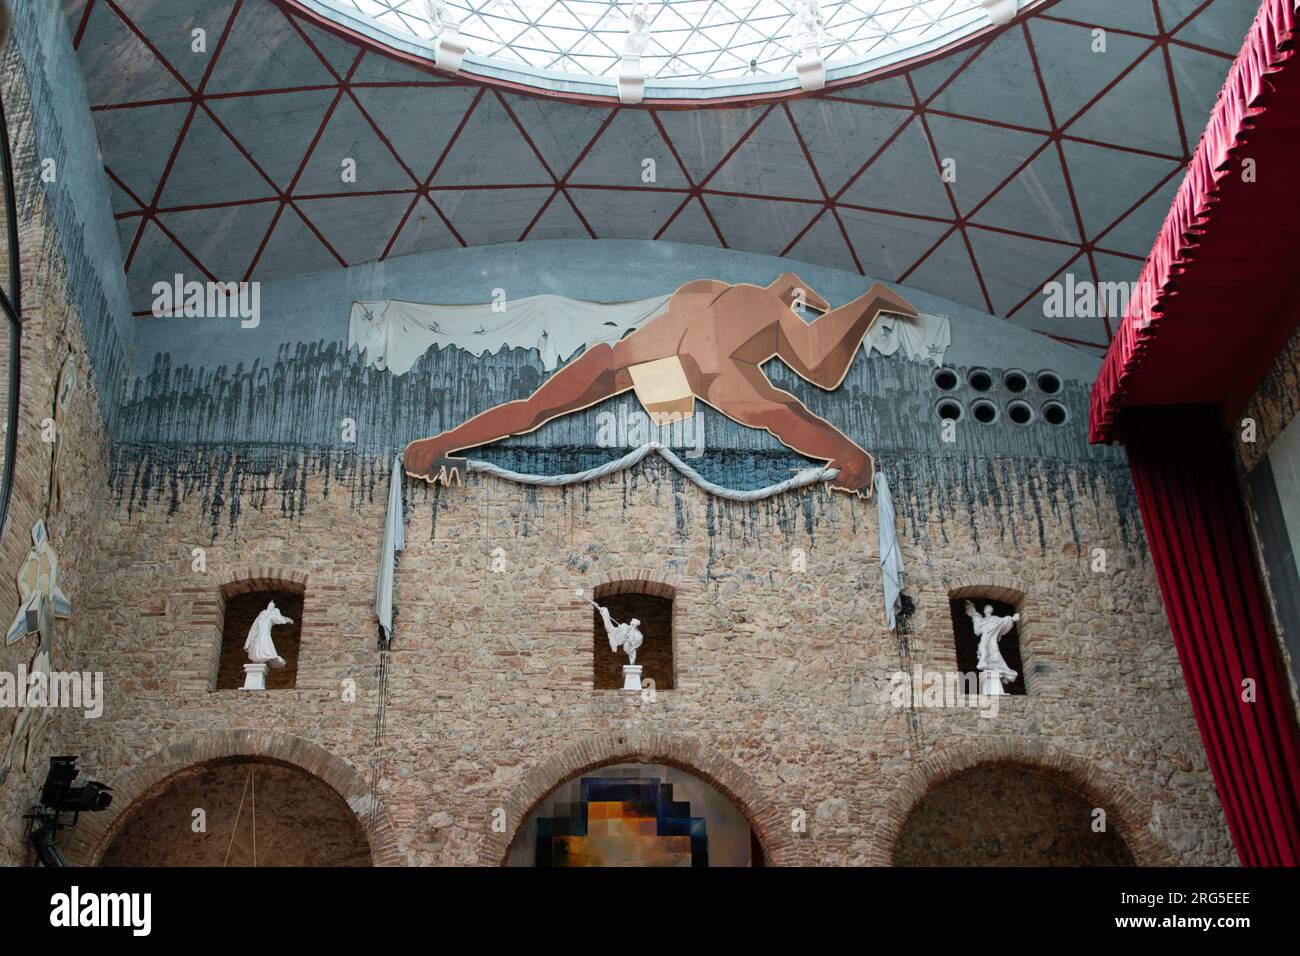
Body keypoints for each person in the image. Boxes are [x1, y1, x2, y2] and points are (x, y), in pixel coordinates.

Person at [404, 275, 918, 498]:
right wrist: (437, 445)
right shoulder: (621, 364)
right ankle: (790, 286)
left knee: (821, 370)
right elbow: (528, 412)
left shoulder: (711, 372)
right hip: (708, 315)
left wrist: (854, 456)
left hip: (720, 310)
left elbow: (787, 417)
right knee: (779, 390)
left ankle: (869, 298)